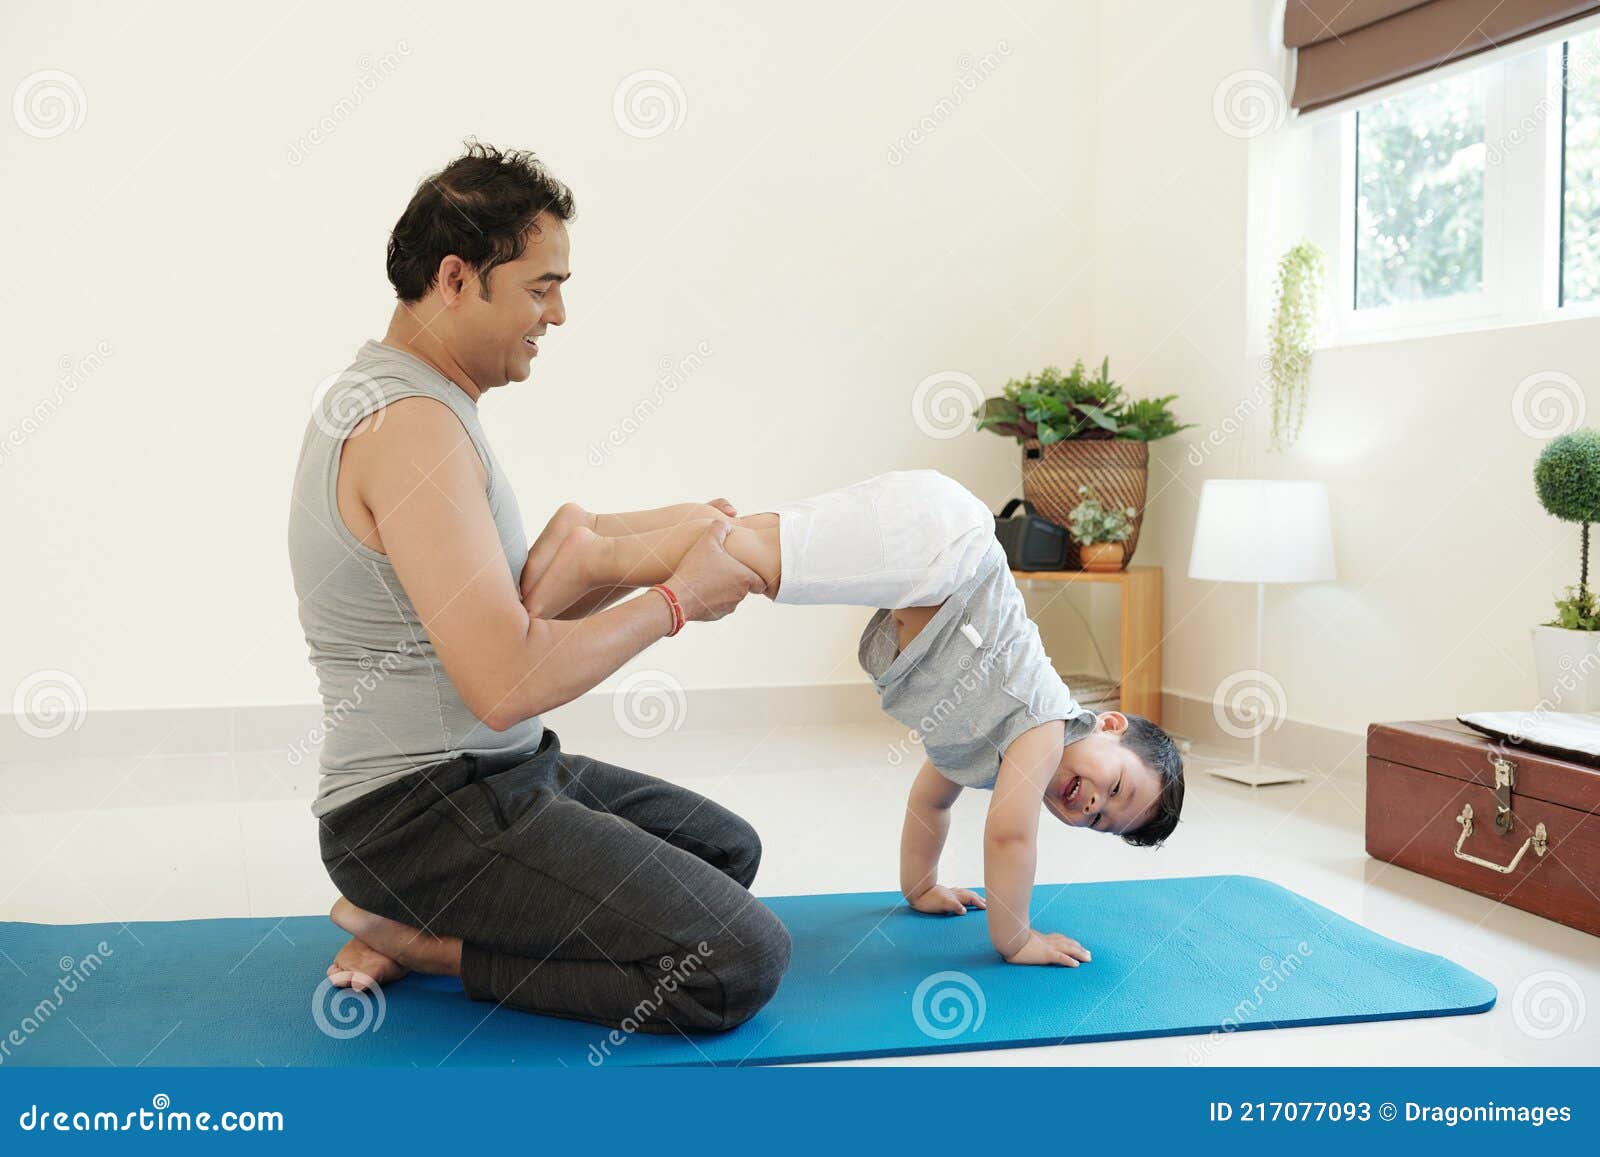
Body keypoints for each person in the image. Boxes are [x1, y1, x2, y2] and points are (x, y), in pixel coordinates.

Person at [287, 140, 789, 1035]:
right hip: (419, 816)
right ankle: (428, 943)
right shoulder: (409, 427)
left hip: (504, 771)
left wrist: (611, 549)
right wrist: (676, 603)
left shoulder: (421, 403)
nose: (556, 313)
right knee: (736, 961)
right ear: (455, 277)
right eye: (539, 286)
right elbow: (506, 678)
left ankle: (429, 928)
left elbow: (503, 618)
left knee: (726, 851)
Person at [520, 469, 1187, 967]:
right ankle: (592, 556)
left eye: (1100, 817)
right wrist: (1016, 937)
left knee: (736, 540)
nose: (1092, 801)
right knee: (740, 560)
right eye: (1117, 786)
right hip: (943, 544)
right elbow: (1010, 839)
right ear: (1109, 724)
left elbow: (932, 796)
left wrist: (920, 883)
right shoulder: (1042, 725)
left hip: (929, 552)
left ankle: (597, 528)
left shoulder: (993, 749)